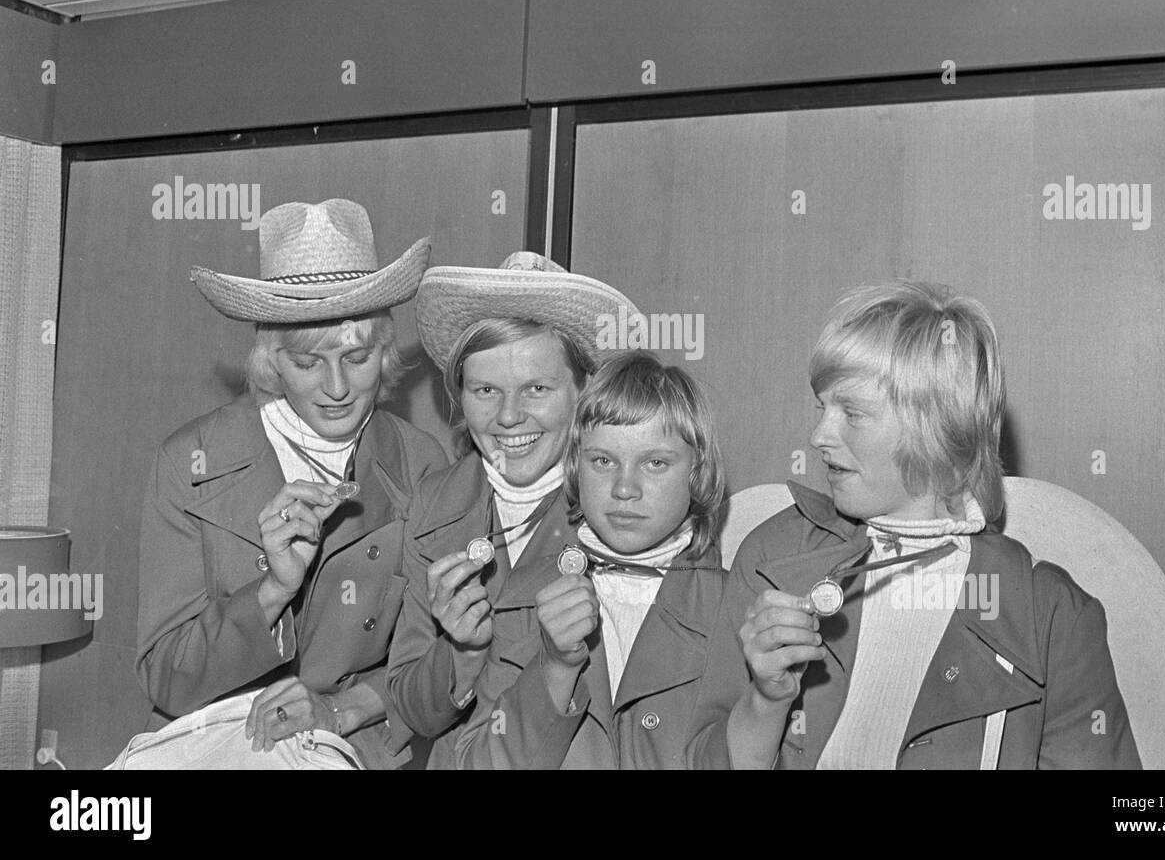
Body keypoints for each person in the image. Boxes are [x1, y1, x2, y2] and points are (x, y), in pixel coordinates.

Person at [686, 281, 1141, 769]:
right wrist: (766, 701)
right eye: (823, 408)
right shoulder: (774, 559)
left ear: (936, 429)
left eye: (852, 413)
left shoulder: (1049, 615)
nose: (819, 435)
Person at [136, 199, 445, 769]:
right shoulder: (190, 462)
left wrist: (336, 710)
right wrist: (272, 592)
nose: (336, 388)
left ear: (384, 353)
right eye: (308, 362)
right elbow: (166, 681)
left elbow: (434, 666)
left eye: (356, 357)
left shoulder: (422, 465)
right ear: (271, 360)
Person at [385, 252, 640, 766]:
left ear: (583, 391)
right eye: (485, 391)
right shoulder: (435, 501)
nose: (508, 417)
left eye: (537, 389)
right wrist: (460, 652)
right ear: (457, 394)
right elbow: (411, 711)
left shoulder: (627, 504)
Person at [453, 351, 727, 768]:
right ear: (575, 468)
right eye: (603, 461)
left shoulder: (732, 607)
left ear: (698, 472)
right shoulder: (526, 593)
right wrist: (555, 668)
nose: (624, 488)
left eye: (655, 463)